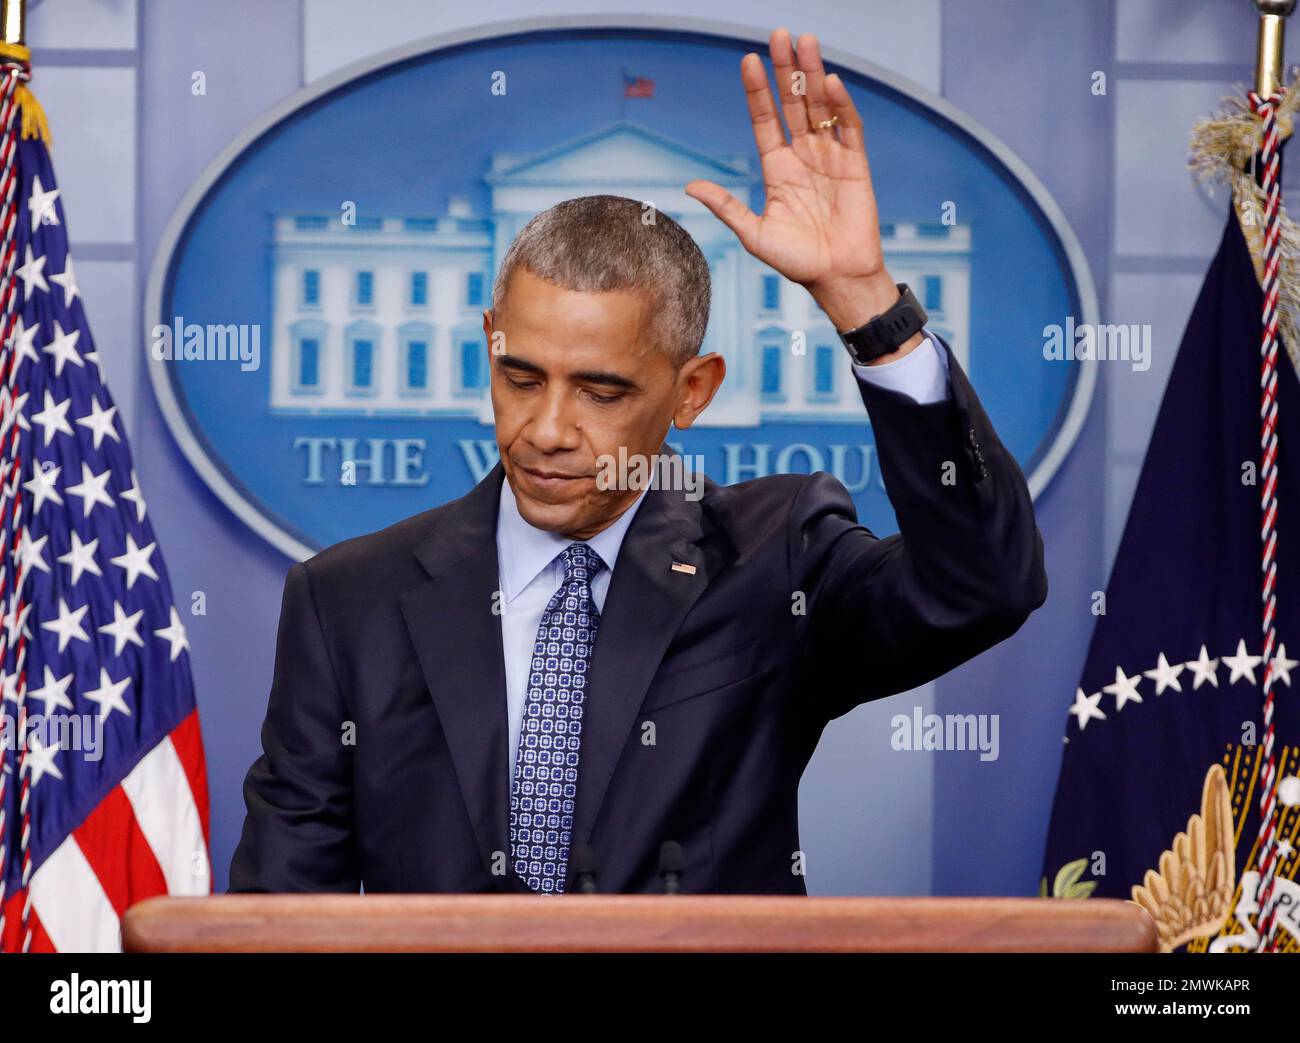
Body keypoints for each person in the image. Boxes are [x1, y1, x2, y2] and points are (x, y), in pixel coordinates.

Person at [229, 28, 1046, 896]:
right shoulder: (346, 600)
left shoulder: (776, 559)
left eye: (601, 391)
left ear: (692, 391)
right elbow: (282, 915)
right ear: (490, 345)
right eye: (520, 376)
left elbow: (983, 587)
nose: (546, 428)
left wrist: (866, 305)